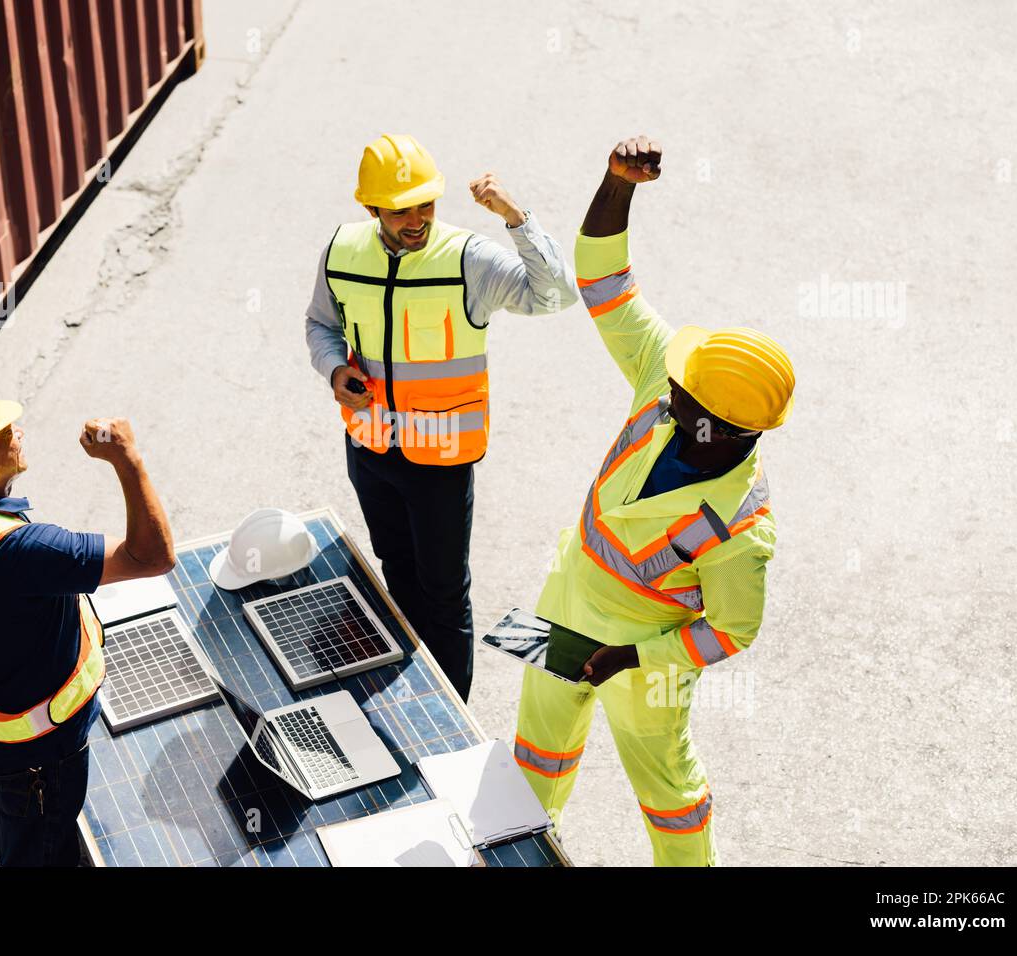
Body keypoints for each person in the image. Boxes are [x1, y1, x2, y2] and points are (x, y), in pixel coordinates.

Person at [513, 136, 796, 866]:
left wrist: (635, 658)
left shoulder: (742, 527)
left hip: (646, 664)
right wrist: (617, 183)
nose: (665, 383)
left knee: (668, 795)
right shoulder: (668, 390)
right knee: (534, 759)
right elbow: (606, 285)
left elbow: (732, 630)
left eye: (682, 391)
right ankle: (514, 850)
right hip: (566, 604)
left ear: (719, 425)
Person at [305, 133, 577, 699]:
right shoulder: (343, 251)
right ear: (371, 207)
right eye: (402, 209)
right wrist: (335, 371)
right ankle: (411, 691)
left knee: (445, 594)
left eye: (425, 205)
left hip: (440, 461)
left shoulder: (465, 259)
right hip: (370, 449)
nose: (416, 219)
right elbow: (320, 324)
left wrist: (516, 217)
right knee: (394, 572)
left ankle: (452, 716)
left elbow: (555, 296)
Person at [0, 375, 174, 866]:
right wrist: (128, 458)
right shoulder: (25, 550)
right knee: (44, 851)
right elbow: (152, 557)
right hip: (37, 750)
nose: (18, 431)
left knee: (14, 828)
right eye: (4, 431)